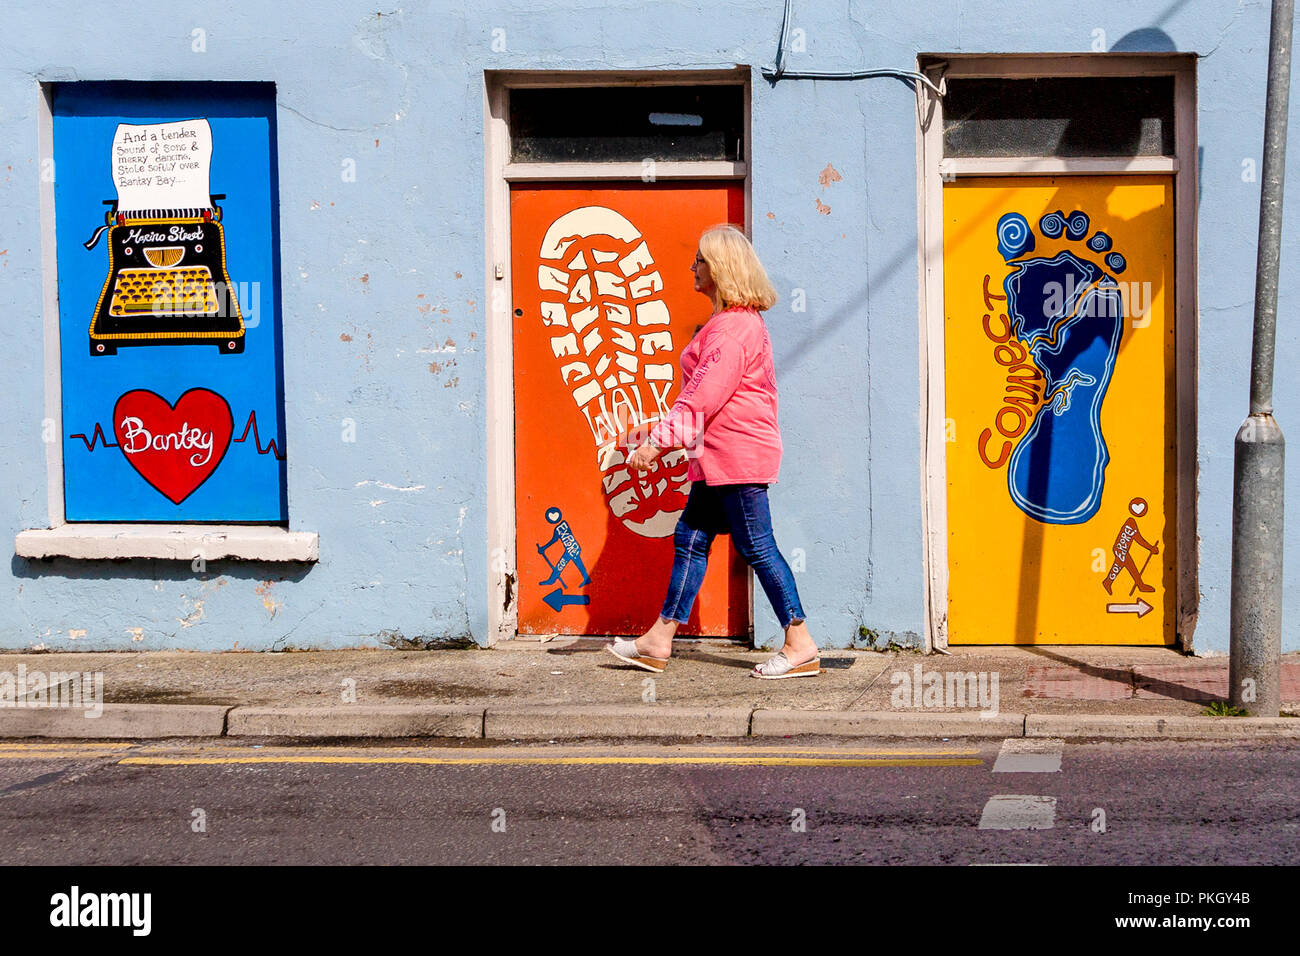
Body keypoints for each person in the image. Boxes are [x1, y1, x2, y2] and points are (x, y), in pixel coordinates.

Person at [605, 224, 818, 679]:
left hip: (737, 458)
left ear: (719, 268)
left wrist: (654, 445)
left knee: (757, 547)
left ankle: (799, 642)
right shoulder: (733, 324)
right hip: (719, 459)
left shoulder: (732, 329)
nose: (692, 267)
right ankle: (659, 640)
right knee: (692, 539)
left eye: (699, 260)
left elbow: (701, 399)